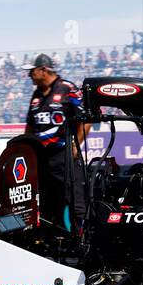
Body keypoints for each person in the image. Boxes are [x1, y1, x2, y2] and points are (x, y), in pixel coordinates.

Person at [25, 53, 87, 233]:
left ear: (43, 70)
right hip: (42, 160)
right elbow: (30, 126)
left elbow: (86, 120)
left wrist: (76, 146)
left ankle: (81, 243)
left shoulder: (67, 88)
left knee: (75, 203)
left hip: (64, 156)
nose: (29, 75)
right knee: (47, 205)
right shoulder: (36, 95)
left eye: (32, 71)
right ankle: (53, 246)